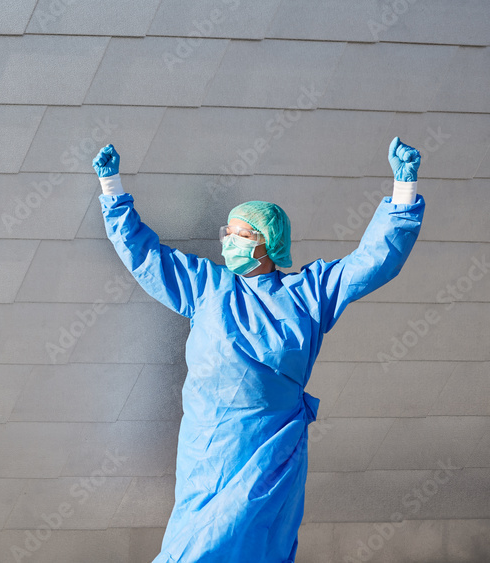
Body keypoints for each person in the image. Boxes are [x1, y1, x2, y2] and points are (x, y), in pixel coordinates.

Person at [93, 138, 425, 562]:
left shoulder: (309, 294)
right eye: (227, 233)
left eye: (242, 234)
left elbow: (372, 261)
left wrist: (404, 190)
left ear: (267, 243)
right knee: (196, 544)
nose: (229, 241)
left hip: (273, 449)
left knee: (258, 543)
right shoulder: (206, 285)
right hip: (211, 446)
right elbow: (145, 256)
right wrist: (111, 187)